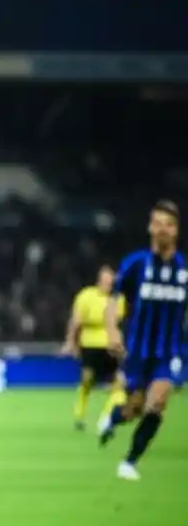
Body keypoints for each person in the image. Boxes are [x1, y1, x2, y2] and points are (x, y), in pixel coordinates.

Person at [99, 200, 185, 481]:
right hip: (137, 349)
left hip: (170, 351)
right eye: (158, 223)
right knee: (133, 408)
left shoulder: (184, 268)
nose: (163, 229)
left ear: (176, 230)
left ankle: (130, 462)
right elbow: (113, 300)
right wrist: (112, 330)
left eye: (169, 224)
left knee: (157, 402)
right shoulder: (136, 263)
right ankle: (113, 418)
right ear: (150, 227)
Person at [61, 266, 126, 430]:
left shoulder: (119, 298)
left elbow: (119, 323)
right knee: (87, 381)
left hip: (111, 346)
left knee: (118, 384)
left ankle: (106, 417)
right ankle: (79, 415)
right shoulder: (86, 295)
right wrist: (71, 342)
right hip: (90, 346)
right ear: (99, 280)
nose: (108, 284)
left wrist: (121, 345)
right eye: (106, 280)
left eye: (111, 281)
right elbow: (76, 321)